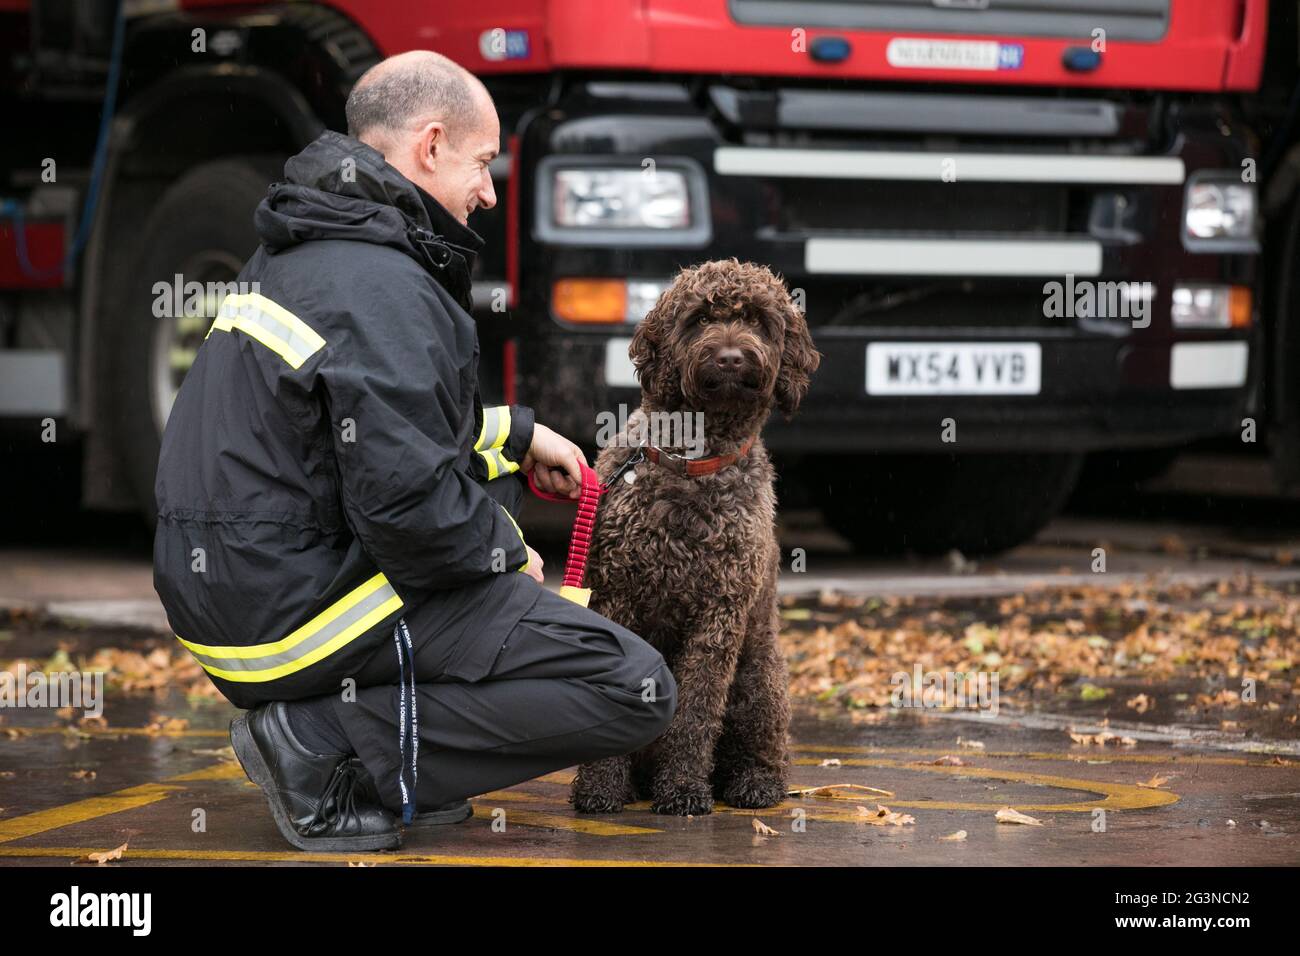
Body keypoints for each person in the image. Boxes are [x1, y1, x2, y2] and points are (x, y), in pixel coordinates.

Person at [153, 51, 677, 852]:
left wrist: (517, 434)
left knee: (513, 604)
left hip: (239, 600)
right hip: (298, 618)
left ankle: (377, 763)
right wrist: (503, 554)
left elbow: (358, 439)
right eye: (482, 162)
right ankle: (322, 745)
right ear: (430, 145)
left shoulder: (306, 251)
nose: (489, 190)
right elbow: (407, 505)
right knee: (633, 686)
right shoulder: (385, 283)